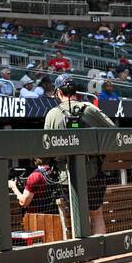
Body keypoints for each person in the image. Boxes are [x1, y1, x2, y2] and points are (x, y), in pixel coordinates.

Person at [43, 74, 116, 236]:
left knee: (73, 215)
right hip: (92, 172)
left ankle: (79, 254)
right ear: (75, 91)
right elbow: (112, 132)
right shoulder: (89, 108)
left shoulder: (52, 114)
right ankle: (99, 251)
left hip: (64, 176)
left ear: (58, 92)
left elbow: (45, 150)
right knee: (96, 215)